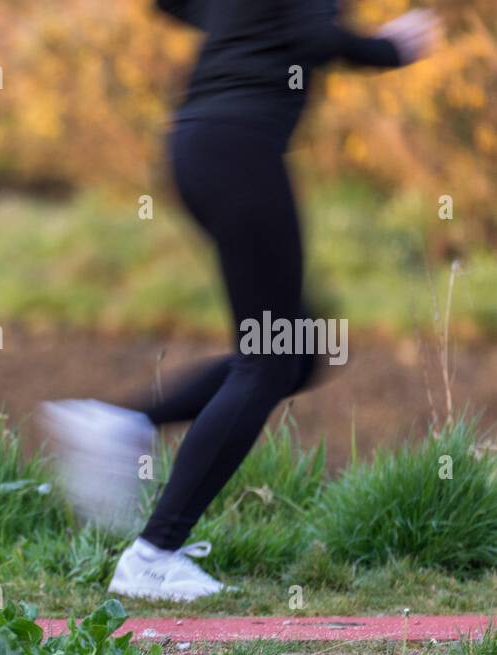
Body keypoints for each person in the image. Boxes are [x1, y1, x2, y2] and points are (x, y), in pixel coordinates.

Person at [42, 1, 439, 602]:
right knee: (272, 360)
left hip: (202, 145)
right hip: (240, 150)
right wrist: (390, 48)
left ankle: (123, 424)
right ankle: (152, 555)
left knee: (299, 352)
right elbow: (312, 33)